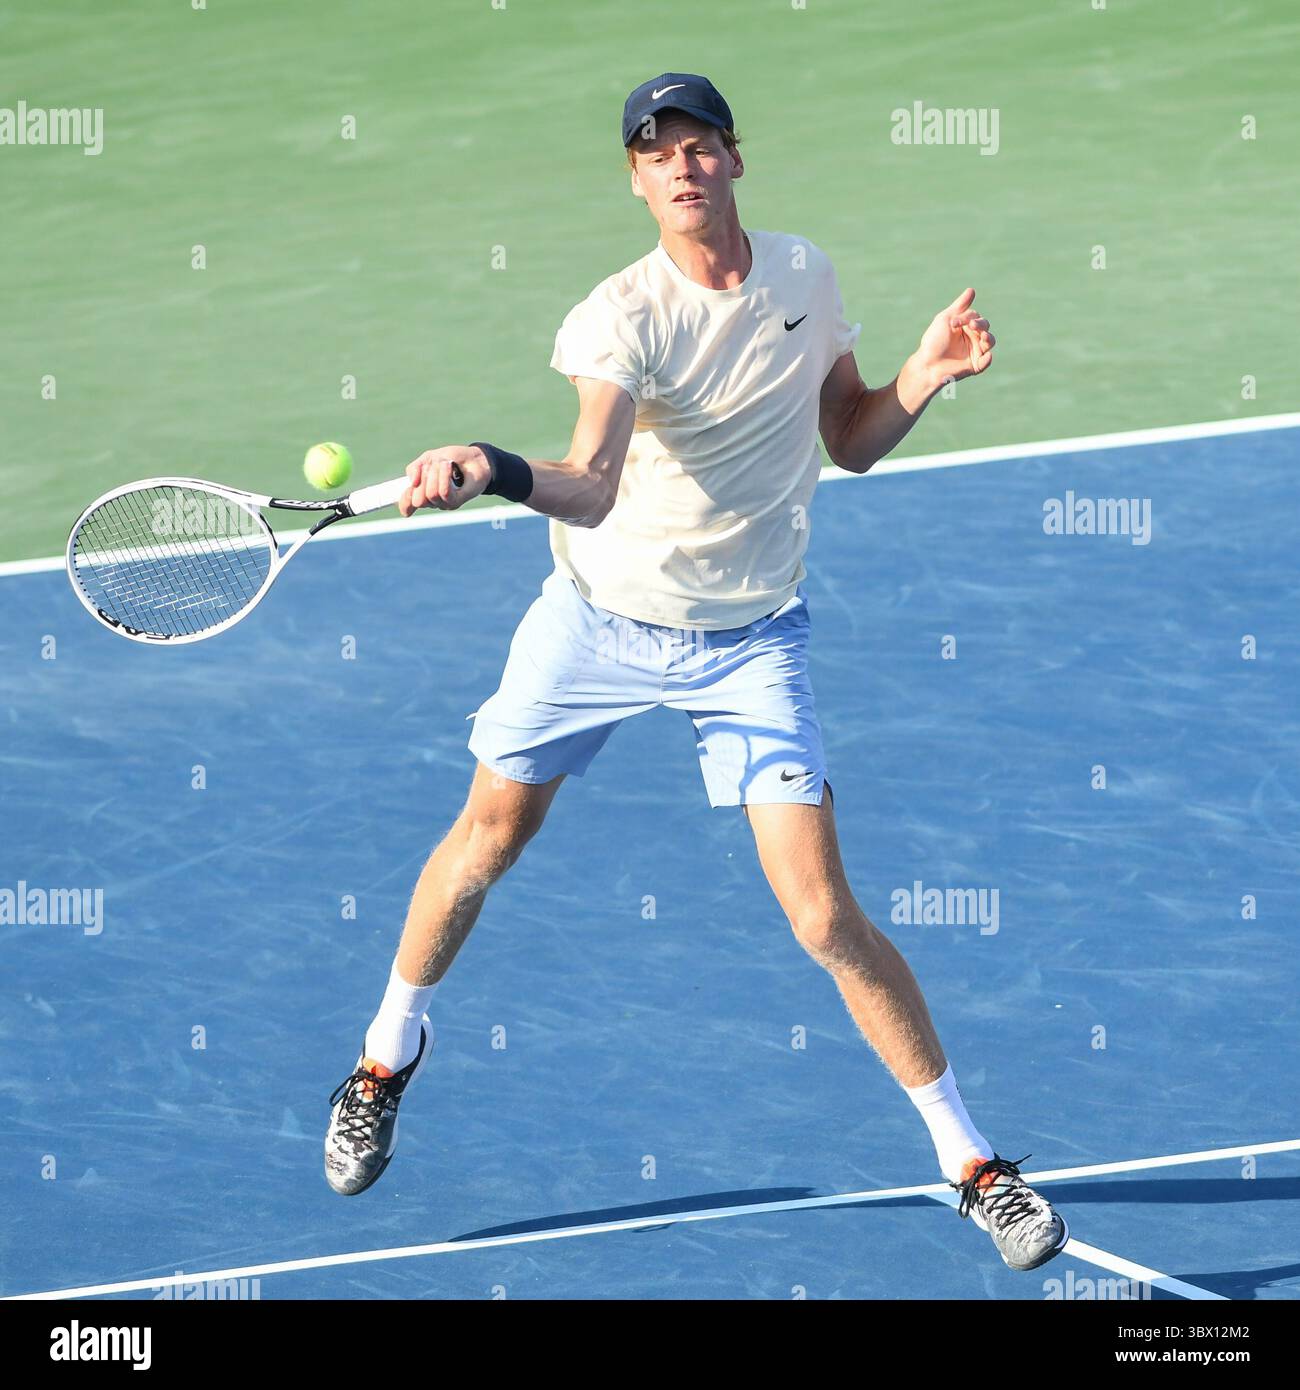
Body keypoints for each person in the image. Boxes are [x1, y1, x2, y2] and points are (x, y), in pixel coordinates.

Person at [324, 72, 1067, 1273]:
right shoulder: (617, 318)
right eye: (653, 152)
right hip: (598, 622)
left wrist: (923, 377)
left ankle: (971, 1162)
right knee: (487, 839)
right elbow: (591, 483)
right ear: (635, 178)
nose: (678, 166)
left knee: (823, 913)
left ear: (733, 158)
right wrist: (496, 467)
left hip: (752, 641)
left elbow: (850, 440)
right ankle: (384, 1052)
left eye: (697, 145)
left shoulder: (804, 276)